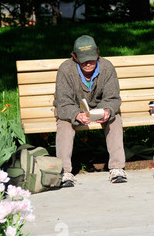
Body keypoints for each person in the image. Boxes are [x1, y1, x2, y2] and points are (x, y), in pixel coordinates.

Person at [53, 35, 127, 186]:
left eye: (91, 58)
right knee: (64, 123)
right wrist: (76, 114)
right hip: (73, 109)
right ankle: (64, 171)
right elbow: (63, 102)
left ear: (98, 53)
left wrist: (107, 110)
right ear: (74, 57)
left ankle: (117, 168)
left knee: (115, 118)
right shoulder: (65, 69)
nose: (88, 63)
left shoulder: (107, 67)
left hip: (99, 107)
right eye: (83, 59)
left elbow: (113, 98)